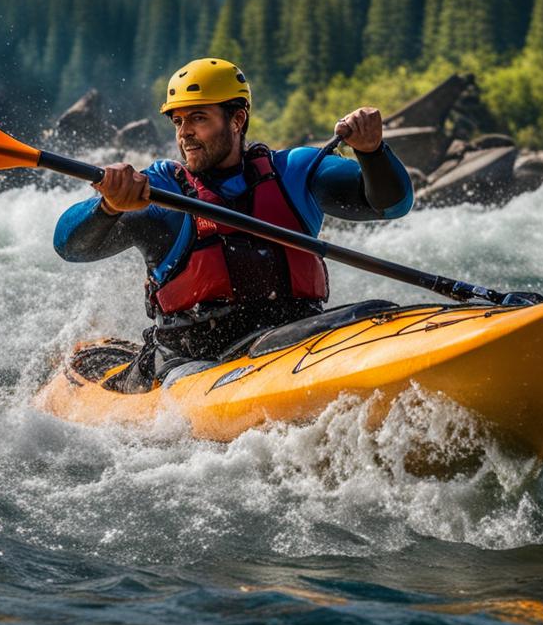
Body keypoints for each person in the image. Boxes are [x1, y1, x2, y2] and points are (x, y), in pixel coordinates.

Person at [54, 58, 413, 392]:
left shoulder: (293, 174)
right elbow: (68, 245)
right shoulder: (161, 192)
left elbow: (392, 204)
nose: (185, 133)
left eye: (198, 118)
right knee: (191, 375)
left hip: (294, 339)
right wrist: (109, 206)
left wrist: (371, 151)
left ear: (237, 120)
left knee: (374, 310)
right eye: (178, 121)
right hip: (193, 362)